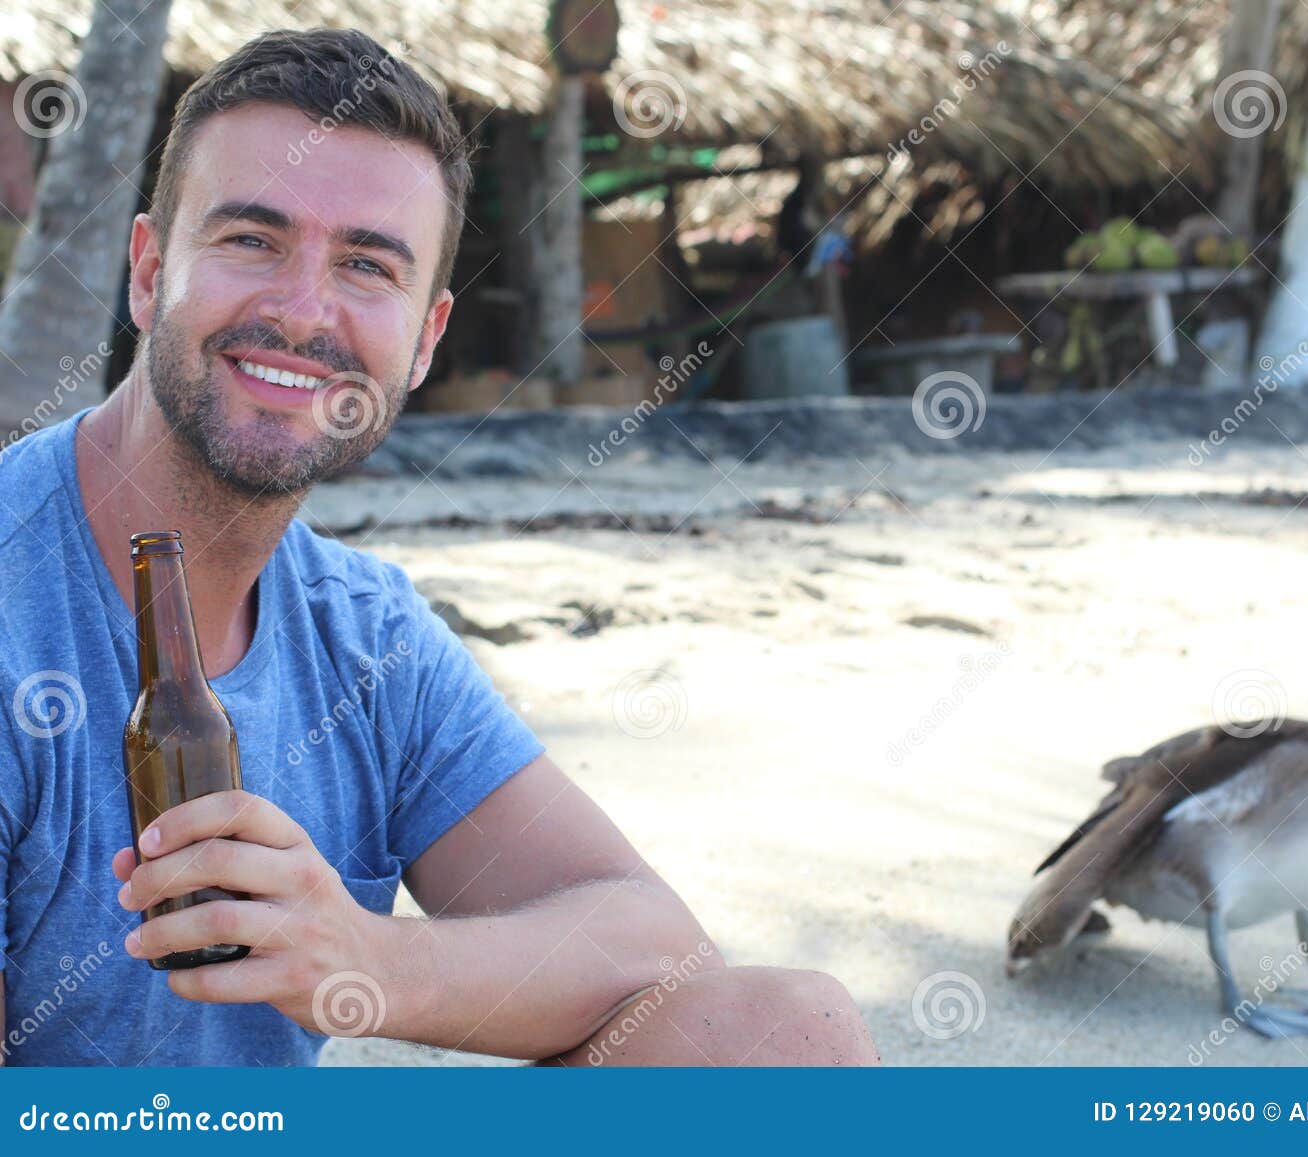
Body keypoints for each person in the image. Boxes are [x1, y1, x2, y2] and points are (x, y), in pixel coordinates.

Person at [0, 28, 878, 1068]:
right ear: (149, 273)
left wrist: (361, 958)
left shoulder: (365, 636)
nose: (302, 309)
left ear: (424, 339)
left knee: (787, 1031)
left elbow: (657, 942)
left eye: (367, 265)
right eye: (251, 240)